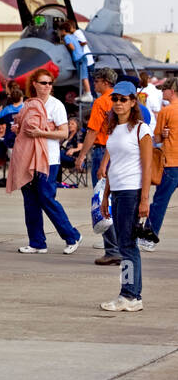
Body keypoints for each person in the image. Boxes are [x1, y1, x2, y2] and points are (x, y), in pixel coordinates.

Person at [97, 81, 153, 311]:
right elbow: (113, 165)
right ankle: (132, 296)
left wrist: (144, 199)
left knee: (127, 245)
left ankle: (129, 295)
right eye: (115, 99)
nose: (118, 103)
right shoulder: (113, 129)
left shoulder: (141, 129)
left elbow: (148, 167)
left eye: (123, 99)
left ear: (133, 102)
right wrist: (105, 196)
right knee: (125, 244)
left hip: (132, 191)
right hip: (118, 190)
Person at [11, 70, 80, 255]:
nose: (47, 86)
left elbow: (63, 133)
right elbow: (24, 128)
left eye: (50, 83)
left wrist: (41, 133)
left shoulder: (56, 105)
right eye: (43, 83)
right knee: (30, 200)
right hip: (28, 158)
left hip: (48, 158)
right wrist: (18, 128)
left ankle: (71, 235)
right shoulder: (29, 104)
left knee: (46, 197)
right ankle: (37, 242)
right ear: (34, 83)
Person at [76, 68, 124, 266]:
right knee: (119, 201)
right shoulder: (124, 100)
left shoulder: (102, 102)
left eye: (96, 81)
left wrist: (81, 156)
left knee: (103, 201)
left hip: (102, 151)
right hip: (121, 153)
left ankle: (112, 249)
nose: (94, 85)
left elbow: (92, 132)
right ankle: (123, 246)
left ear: (104, 81)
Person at [144, 77, 177, 251]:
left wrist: (163, 135)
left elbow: (156, 138)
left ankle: (150, 237)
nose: (162, 92)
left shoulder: (167, 111)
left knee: (159, 202)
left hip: (171, 162)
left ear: (171, 91)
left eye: (164, 89)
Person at [62, 19, 94, 97]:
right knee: (85, 78)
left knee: (84, 77)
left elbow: (74, 46)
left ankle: (89, 95)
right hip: (84, 58)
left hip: (81, 59)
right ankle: (88, 94)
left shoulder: (70, 36)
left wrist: (66, 45)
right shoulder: (73, 36)